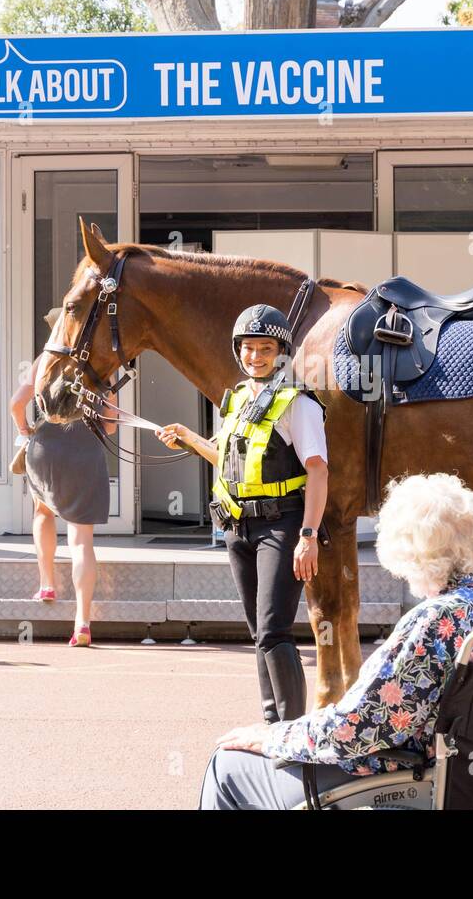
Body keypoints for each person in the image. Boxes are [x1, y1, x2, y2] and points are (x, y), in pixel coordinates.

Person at [198, 473, 473, 810]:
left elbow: (354, 729)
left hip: (410, 775)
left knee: (228, 765)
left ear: (408, 552)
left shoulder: (437, 619)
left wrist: (273, 736)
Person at [156, 305, 327, 724]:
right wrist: (189, 438)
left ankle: (289, 730)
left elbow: (319, 470)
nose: (256, 357)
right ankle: (272, 724)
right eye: (248, 348)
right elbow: (228, 461)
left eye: (265, 348)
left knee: (274, 631)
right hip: (238, 527)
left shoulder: (297, 403)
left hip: (282, 526)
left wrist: (308, 535)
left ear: (281, 351)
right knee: (259, 635)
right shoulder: (235, 399)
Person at [10, 308, 114, 647]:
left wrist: (25, 429)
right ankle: (82, 622)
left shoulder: (44, 361)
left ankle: (46, 582)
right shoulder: (100, 366)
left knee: (43, 512)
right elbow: (111, 424)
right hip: (85, 450)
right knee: (82, 539)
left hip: (46, 446)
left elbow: (16, 404)